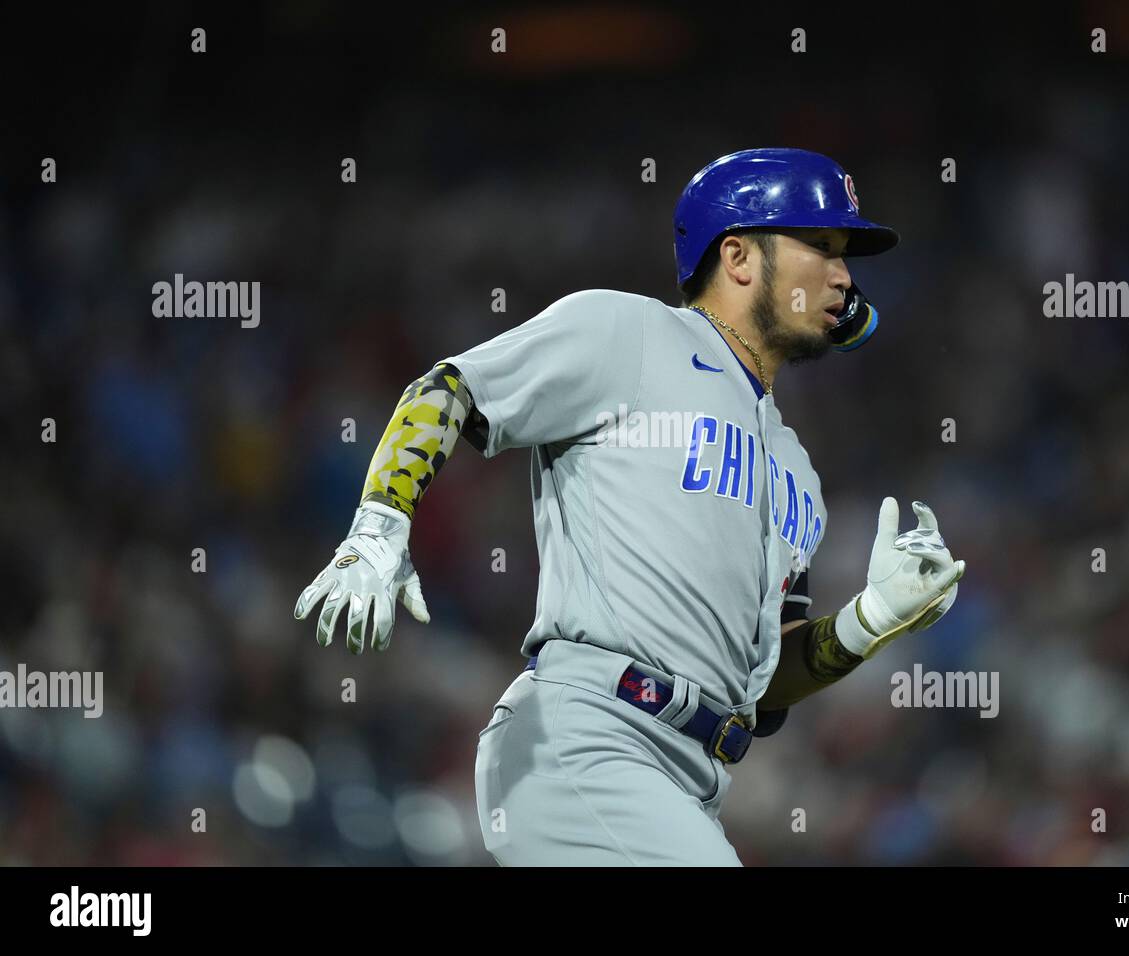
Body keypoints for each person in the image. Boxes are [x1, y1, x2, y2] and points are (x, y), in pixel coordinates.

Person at [293, 147, 966, 866]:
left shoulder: (797, 469)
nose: (843, 274)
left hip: (688, 779)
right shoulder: (629, 334)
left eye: (846, 256)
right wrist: (381, 522)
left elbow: (762, 692)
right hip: (584, 740)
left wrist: (870, 622)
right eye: (821, 246)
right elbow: (447, 390)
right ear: (738, 257)